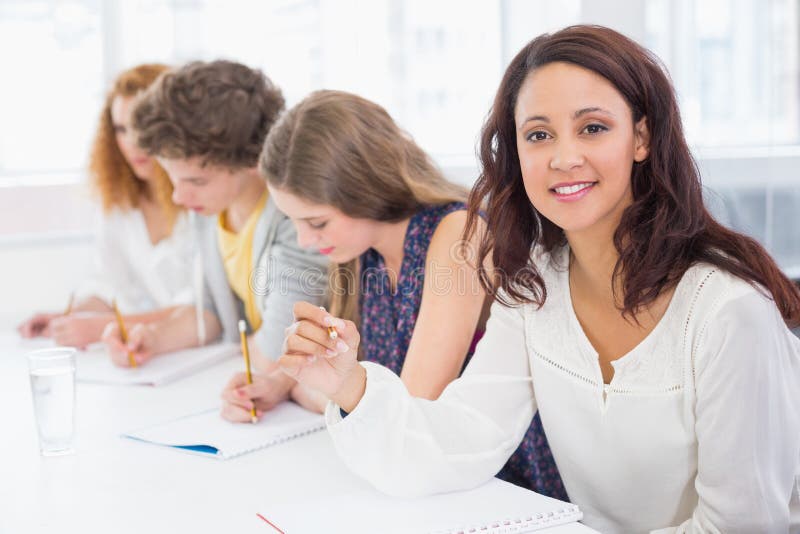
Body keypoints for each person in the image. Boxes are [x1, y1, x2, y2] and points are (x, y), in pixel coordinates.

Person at [275, 25, 800, 533]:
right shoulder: (532, 289)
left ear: (641, 137)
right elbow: (463, 436)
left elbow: (745, 526)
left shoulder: (729, 312)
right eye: (538, 135)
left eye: (593, 128)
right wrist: (350, 384)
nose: (564, 158)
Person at [220, 90, 494, 424]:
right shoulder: (362, 252)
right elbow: (363, 389)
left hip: (495, 469)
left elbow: (408, 411)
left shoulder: (456, 234)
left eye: (317, 222)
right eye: (294, 221)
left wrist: (305, 389)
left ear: (366, 190)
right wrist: (281, 381)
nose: (305, 241)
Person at [102, 60, 327, 388]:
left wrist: (237, 347)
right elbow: (210, 314)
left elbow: (277, 350)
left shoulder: (297, 220)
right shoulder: (211, 211)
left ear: (254, 160)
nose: (179, 196)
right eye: (172, 178)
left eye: (196, 180)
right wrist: (153, 338)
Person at [17, 63, 194, 350]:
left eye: (143, 128)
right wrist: (71, 317)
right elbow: (109, 283)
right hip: (160, 354)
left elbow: (204, 310)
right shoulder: (118, 203)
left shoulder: (200, 198)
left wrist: (99, 327)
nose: (133, 143)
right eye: (122, 129)